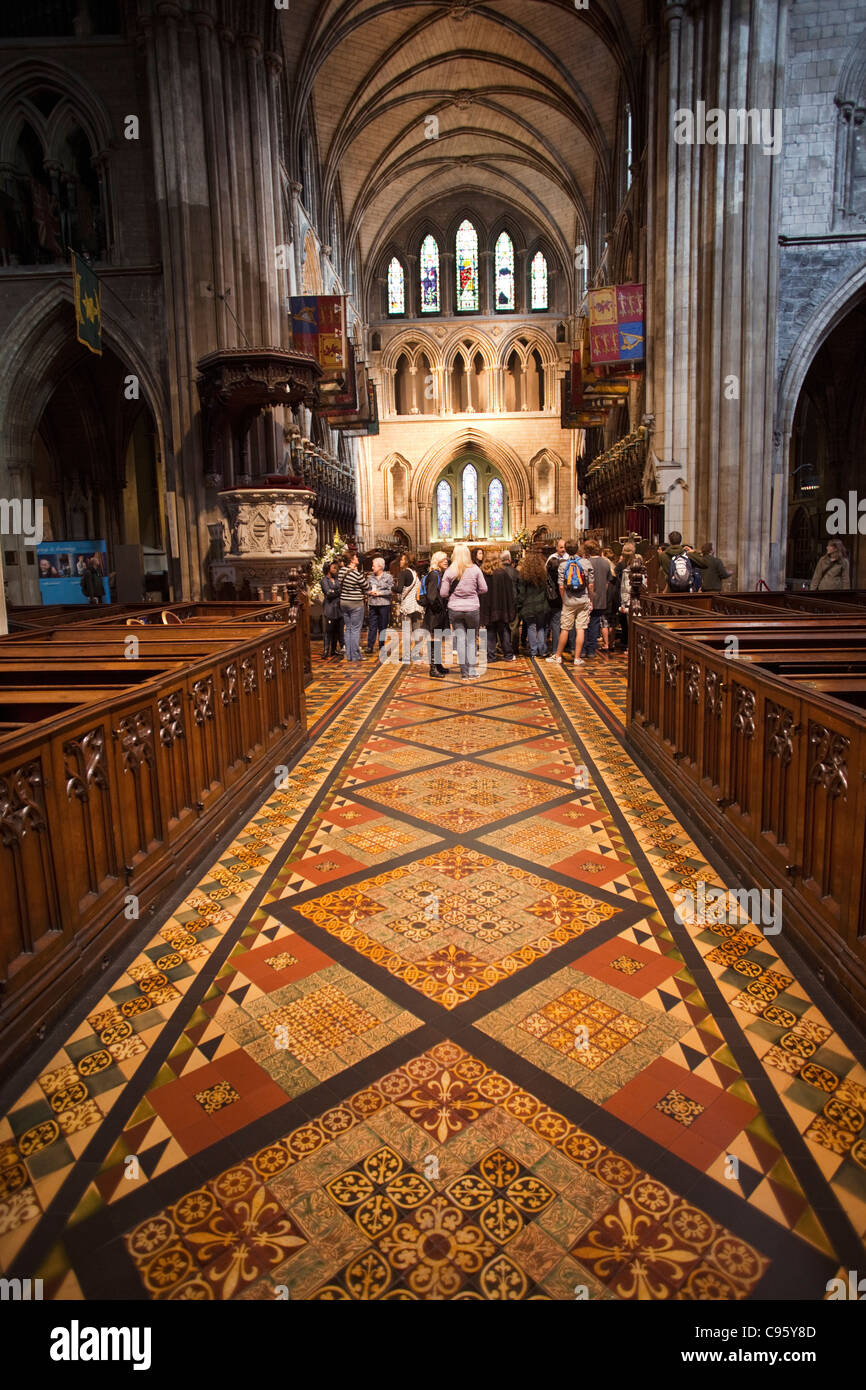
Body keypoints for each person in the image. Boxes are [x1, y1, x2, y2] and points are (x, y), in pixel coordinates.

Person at [440, 542, 487, 680]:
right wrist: (472, 593)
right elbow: (484, 588)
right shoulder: (475, 570)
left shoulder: (449, 571)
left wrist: (455, 596)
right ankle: (472, 671)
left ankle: (464, 673)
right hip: (472, 608)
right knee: (471, 639)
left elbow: (443, 593)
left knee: (460, 640)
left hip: (455, 609)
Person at [546, 540, 593, 665]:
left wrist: (564, 600)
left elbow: (561, 586)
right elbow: (591, 584)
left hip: (569, 600)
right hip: (583, 599)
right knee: (581, 628)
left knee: (565, 628)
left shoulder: (563, 565)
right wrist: (590, 599)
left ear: (566, 549)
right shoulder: (586, 562)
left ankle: (558, 656)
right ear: (577, 549)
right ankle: (577, 658)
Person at [480, 550, 516, 662]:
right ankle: (508, 655)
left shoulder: (482, 574)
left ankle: (491, 656)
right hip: (501, 607)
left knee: (490, 631)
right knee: (504, 631)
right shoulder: (502, 573)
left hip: (488, 608)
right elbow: (509, 592)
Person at [582, 540, 613, 659]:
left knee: (584, 624)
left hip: (587, 597)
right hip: (600, 598)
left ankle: (583, 649)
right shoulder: (605, 563)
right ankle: (591, 650)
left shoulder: (585, 562)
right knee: (595, 624)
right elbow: (607, 582)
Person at [421, 551, 450, 678]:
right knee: (434, 640)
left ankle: (438, 665)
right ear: (437, 561)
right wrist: (440, 609)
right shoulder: (434, 575)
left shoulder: (438, 574)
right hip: (434, 614)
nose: (446, 561)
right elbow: (432, 597)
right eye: (443, 559)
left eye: (446, 559)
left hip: (436, 612)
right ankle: (433, 668)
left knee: (438, 639)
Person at [517, 549, 551, 658]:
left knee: (531, 627)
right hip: (542, 604)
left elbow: (521, 593)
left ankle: (533, 650)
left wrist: (519, 605)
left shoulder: (523, 576)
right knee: (541, 627)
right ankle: (542, 649)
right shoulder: (543, 574)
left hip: (528, 606)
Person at [338, 552, 366, 662]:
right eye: (355, 557)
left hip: (344, 602)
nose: (357, 558)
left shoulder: (341, 572)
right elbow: (366, 585)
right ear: (352, 560)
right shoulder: (356, 574)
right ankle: (355, 655)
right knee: (355, 629)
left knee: (348, 628)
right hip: (355, 603)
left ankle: (349, 655)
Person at [366, 555, 394, 654]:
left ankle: (382, 646)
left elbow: (391, 590)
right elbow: (366, 589)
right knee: (372, 626)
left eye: (374, 566)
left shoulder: (388, 577)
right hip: (373, 604)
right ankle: (370, 646)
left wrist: (380, 593)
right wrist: (370, 593)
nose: (372, 567)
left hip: (384, 604)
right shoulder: (370, 578)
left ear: (380, 567)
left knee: (383, 626)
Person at [619, 553, 647, 648]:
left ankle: (640, 646)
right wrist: (624, 603)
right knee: (631, 626)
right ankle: (632, 647)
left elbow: (645, 587)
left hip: (642, 601)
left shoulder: (645, 572)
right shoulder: (626, 572)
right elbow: (624, 588)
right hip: (630, 601)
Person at [545, 538, 567, 652]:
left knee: (566, 623)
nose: (563, 550)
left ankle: (567, 646)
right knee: (556, 622)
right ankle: (556, 648)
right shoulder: (551, 559)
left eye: (564, 547)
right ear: (556, 548)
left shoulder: (569, 558)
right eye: (561, 547)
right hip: (555, 596)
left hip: (567, 596)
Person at [321, 560, 342, 658]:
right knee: (328, 630)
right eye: (333, 568)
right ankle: (326, 650)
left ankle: (333, 650)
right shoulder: (324, 580)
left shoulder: (337, 579)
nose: (336, 569)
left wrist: (335, 591)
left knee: (337, 630)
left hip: (338, 607)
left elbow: (341, 589)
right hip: (329, 607)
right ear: (328, 569)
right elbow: (328, 593)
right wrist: (337, 591)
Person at [397, 552, 424, 627]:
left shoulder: (403, 573)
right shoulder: (415, 573)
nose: (400, 561)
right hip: (417, 606)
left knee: (406, 634)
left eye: (402, 560)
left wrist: (391, 587)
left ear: (407, 562)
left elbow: (399, 589)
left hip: (407, 606)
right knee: (417, 632)